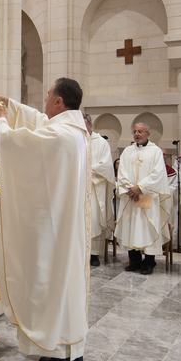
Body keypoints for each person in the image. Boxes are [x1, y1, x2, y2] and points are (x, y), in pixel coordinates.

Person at [0, 79, 89, 361]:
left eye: (48, 95)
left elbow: (17, 143)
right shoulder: (75, 131)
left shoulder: (60, 135)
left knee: (49, 283)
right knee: (66, 287)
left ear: (59, 102)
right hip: (68, 227)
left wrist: (1, 119)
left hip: (53, 229)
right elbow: (39, 122)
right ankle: (70, 354)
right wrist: (11, 103)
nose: (44, 100)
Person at [114, 123, 170, 275]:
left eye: (140, 131)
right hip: (130, 197)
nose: (137, 134)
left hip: (147, 196)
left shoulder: (155, 151)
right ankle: (135, 260)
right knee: (131, 226)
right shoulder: (127, 151)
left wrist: (140, 188)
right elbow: (122, 171)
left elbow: (157, 174)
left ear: (148, 134)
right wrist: (130, 189)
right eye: (135, 132)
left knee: (146, 227)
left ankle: (149, 262)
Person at [84, 114, 115, 267]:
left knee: (94, 219)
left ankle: (94, 254)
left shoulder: (101, 143)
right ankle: (80, 253)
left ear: (90, 126)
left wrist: (86, 171)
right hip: (78, 189)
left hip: (95, 188)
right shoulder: (75, 140)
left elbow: (107, 166)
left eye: (84, 125)